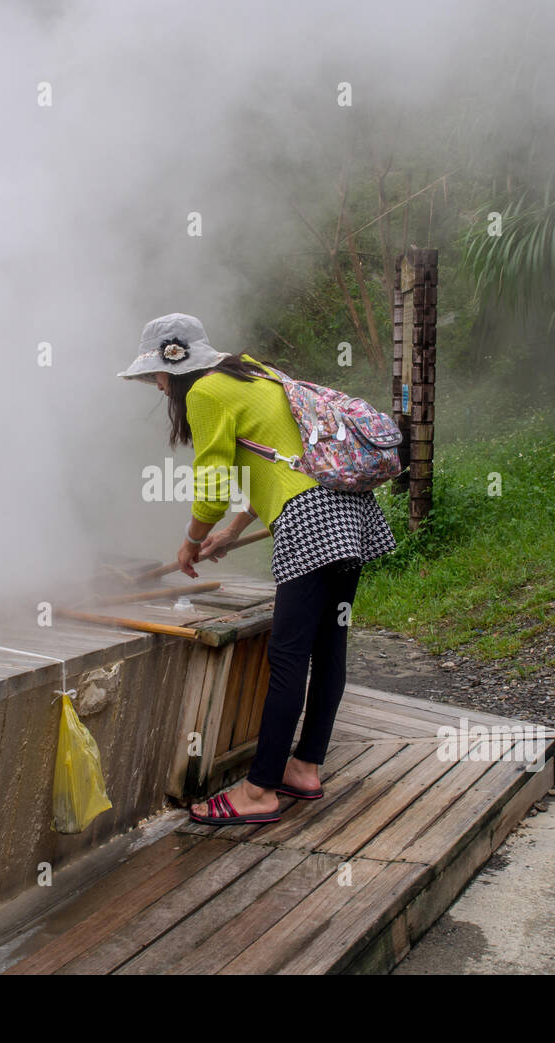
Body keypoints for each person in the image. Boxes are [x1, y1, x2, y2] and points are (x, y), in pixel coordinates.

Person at [119, 312, 396, 825]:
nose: (156, 384)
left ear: (173, 367)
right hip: (348, 510)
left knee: (288, 655)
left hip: (310, 521)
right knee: (327, 645)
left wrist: (192, 540)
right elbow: (285, 458)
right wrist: (231, 531)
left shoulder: (204, 393)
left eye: (156, 374)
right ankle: (304, 767)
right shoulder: (252, 371)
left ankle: (259, 790)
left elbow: (212, 483)